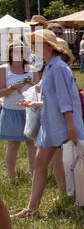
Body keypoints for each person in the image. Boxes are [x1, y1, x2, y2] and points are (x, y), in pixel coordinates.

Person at [13, 30, 83, 219]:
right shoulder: (50, 66)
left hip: (61, 126)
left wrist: (71, 126)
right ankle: (32, 208)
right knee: (41, 163)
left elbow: (65, 100)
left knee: (83, 162)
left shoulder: (58, 67)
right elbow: (52, 99)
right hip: (52, 125)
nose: (34, 47)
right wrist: (33, 103)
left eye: (37, 43)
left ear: (49, 46)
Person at [0, 38, 37, 181]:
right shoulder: (4, 69)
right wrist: (11, 88)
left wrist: (34, 84)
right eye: (15, 51)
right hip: (11, 110)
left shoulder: (31, 69)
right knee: (13, 144)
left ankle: (35, 175)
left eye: (21, 51)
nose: (18, 54)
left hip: (29, 111)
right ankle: (11, 177)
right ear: (9, 53)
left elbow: (39, 90)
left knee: (31, 143)